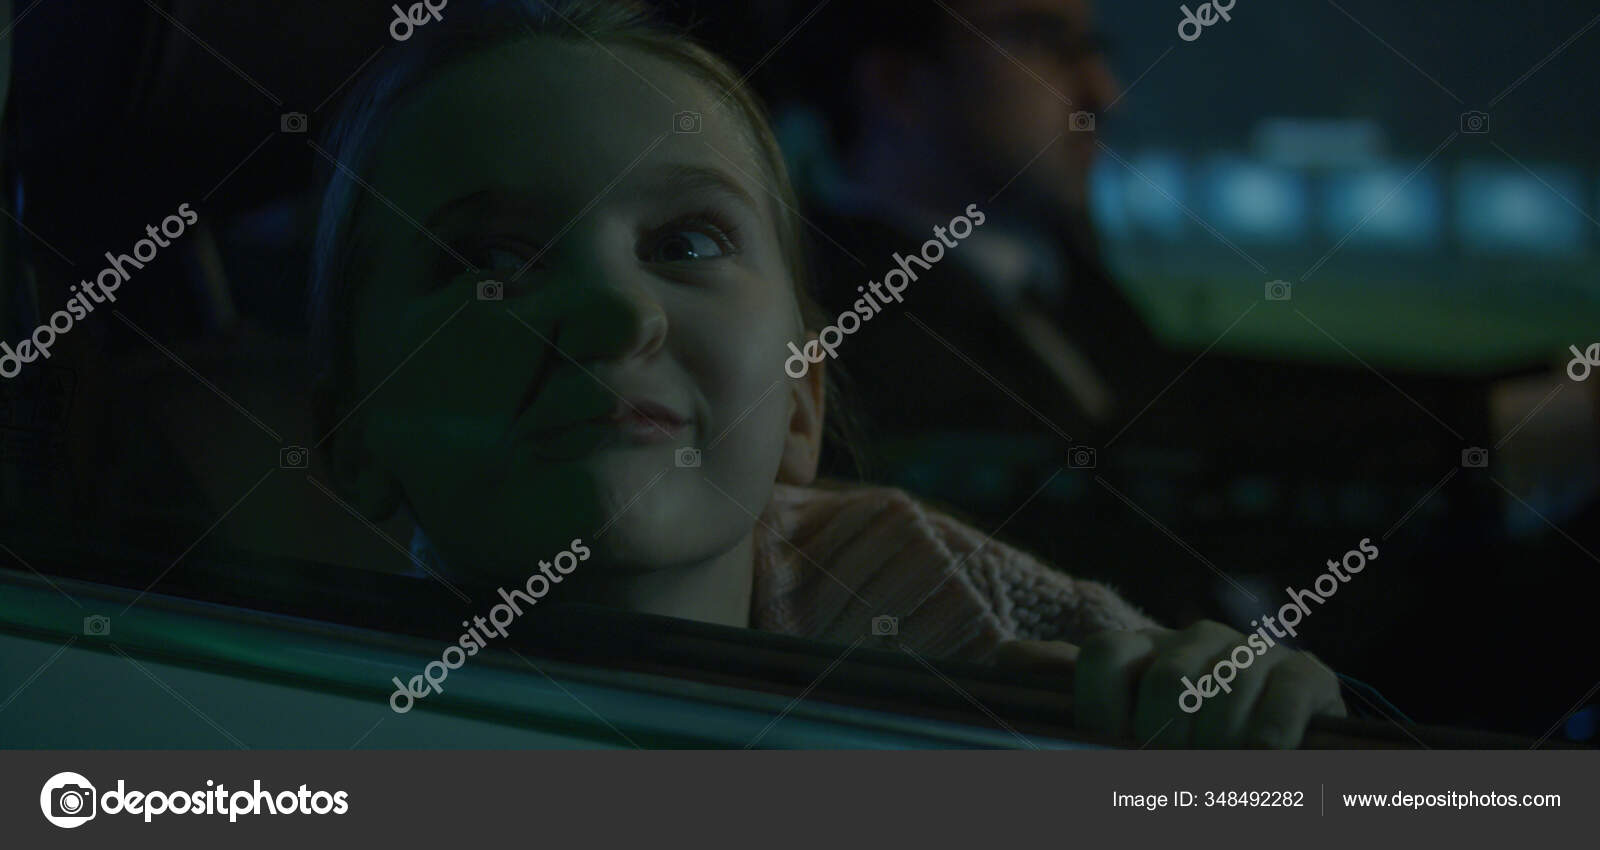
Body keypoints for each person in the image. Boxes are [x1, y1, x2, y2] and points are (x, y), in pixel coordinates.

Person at [308, 0, 1345, 747]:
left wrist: (1231, 707)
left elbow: (1176, 685)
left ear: (802, 403)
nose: (618, 312)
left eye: (690, 244)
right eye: (489, 262)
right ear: (351, 430)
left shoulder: (943, 607)